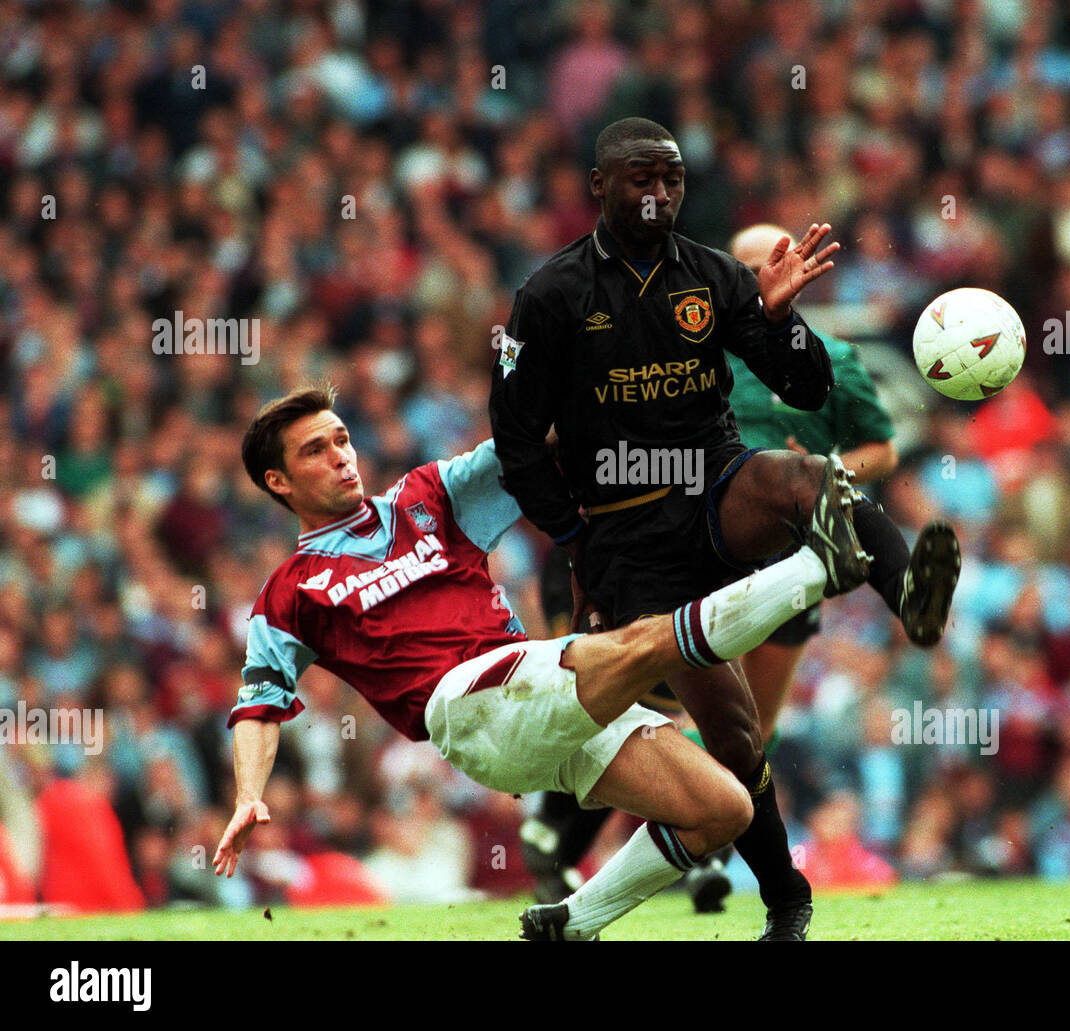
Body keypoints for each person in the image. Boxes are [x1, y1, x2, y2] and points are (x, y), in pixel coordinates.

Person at [490, 117, 961, 940]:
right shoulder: (551, 295)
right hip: (626, 534)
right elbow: (517, 441)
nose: (658, 193)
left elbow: (809, 389)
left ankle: (908, 590)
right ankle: (786, 899)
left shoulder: (713, 276)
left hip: (714, 480)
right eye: (640, 178)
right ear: (600, 185)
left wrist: (780, 321)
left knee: (800, 474)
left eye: (670, 178)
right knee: (737, 738)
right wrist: (574, 537)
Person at [212, 386, 875, 941]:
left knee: (721, 809)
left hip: (537, 701)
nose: (340, 456)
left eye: (341, 438)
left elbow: (530, 447)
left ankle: (571, 922)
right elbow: (258, 705)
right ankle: (817, 567)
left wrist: (602, 387)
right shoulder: (289, 592)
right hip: (464, 707)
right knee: (642, 643)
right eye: (315, 450)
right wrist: (248, 794)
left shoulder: (431, 495)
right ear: (278, 480)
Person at [521, 222, 902, 913]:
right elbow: (551, 441)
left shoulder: (826, 357)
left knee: (747, 725)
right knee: (683, 717)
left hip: (762, 529)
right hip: (662, 548)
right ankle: (580, 836)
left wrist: (785, 331)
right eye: (749, 264)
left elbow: (876, 446)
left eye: (773, 262)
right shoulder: (674, 333)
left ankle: (902, 592)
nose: (761, 274)